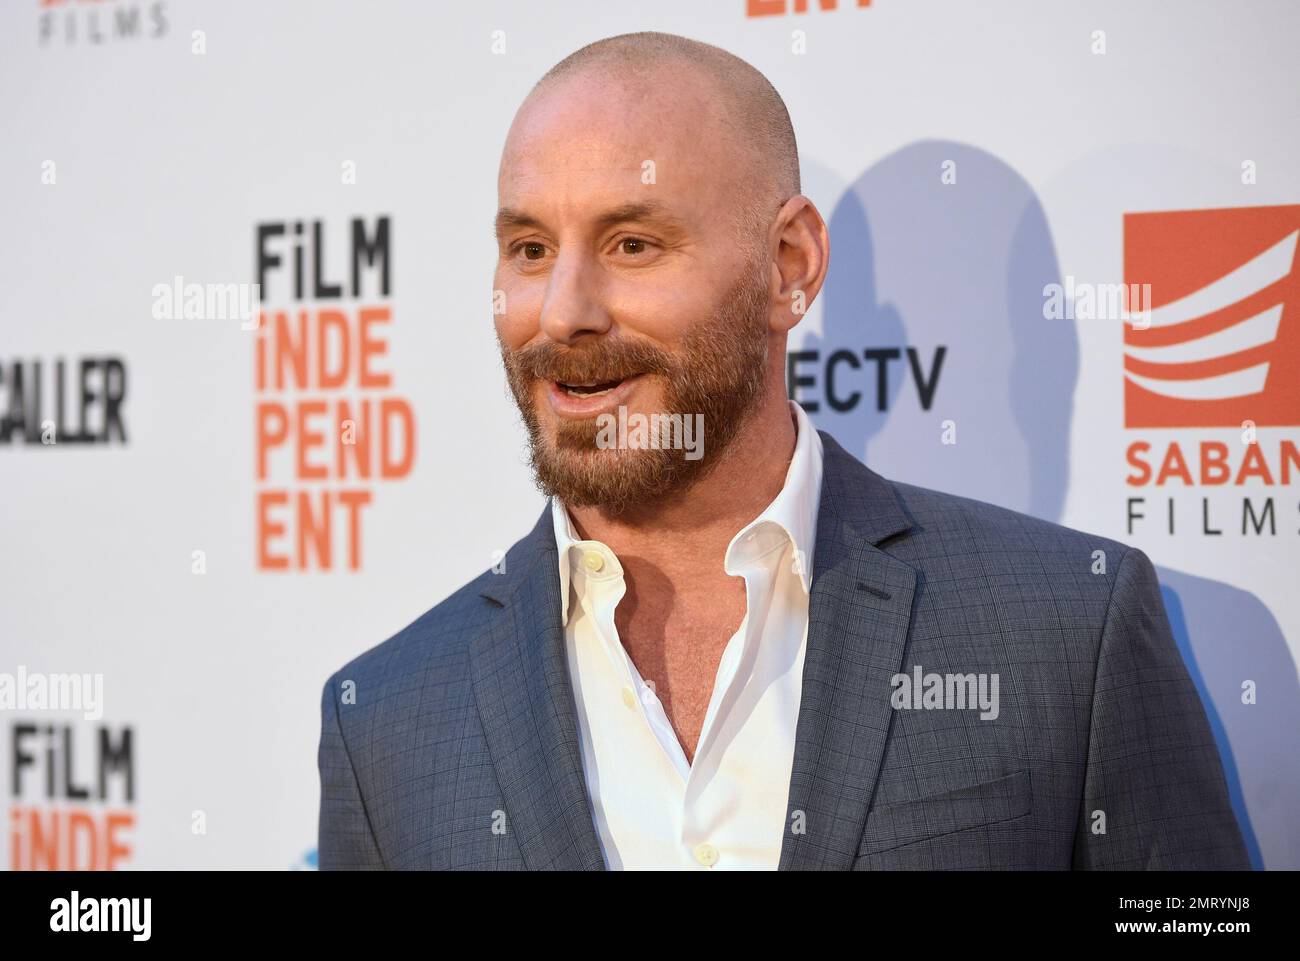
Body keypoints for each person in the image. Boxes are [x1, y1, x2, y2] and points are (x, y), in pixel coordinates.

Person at [317, 31, 1248, 870]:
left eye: (632, 243)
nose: (563, 312)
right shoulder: (391, 721)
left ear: (789, 265)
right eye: (528, 249)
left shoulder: (1064, 632)